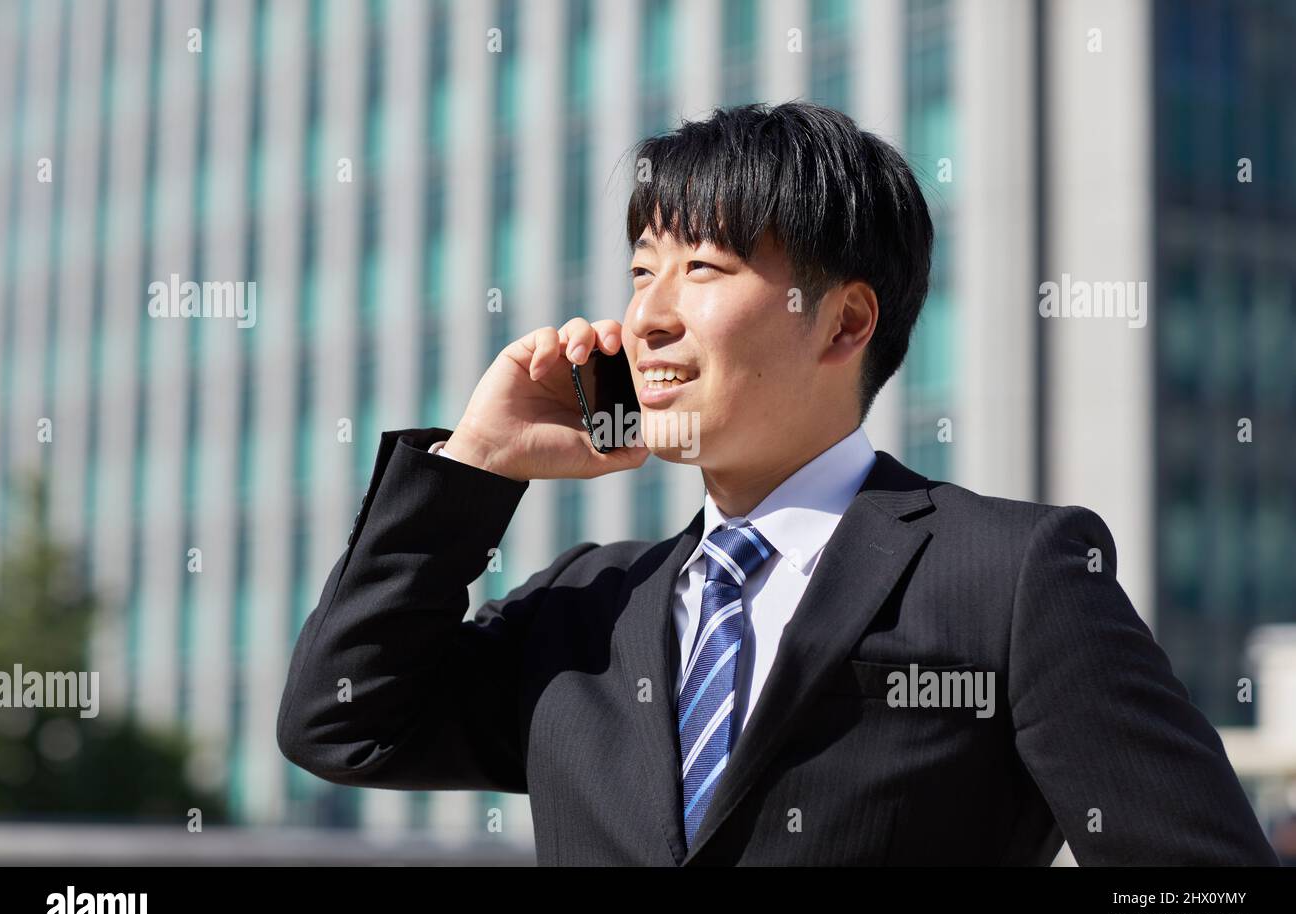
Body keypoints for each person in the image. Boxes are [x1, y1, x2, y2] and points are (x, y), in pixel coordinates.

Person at [276, 102, 1278, 866]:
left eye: (702, 270)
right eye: (639, 272)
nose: (647, 317)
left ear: (843, 323)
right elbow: (343, 718)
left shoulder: (1010, 577)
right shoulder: (586, 610)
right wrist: (475, 467)